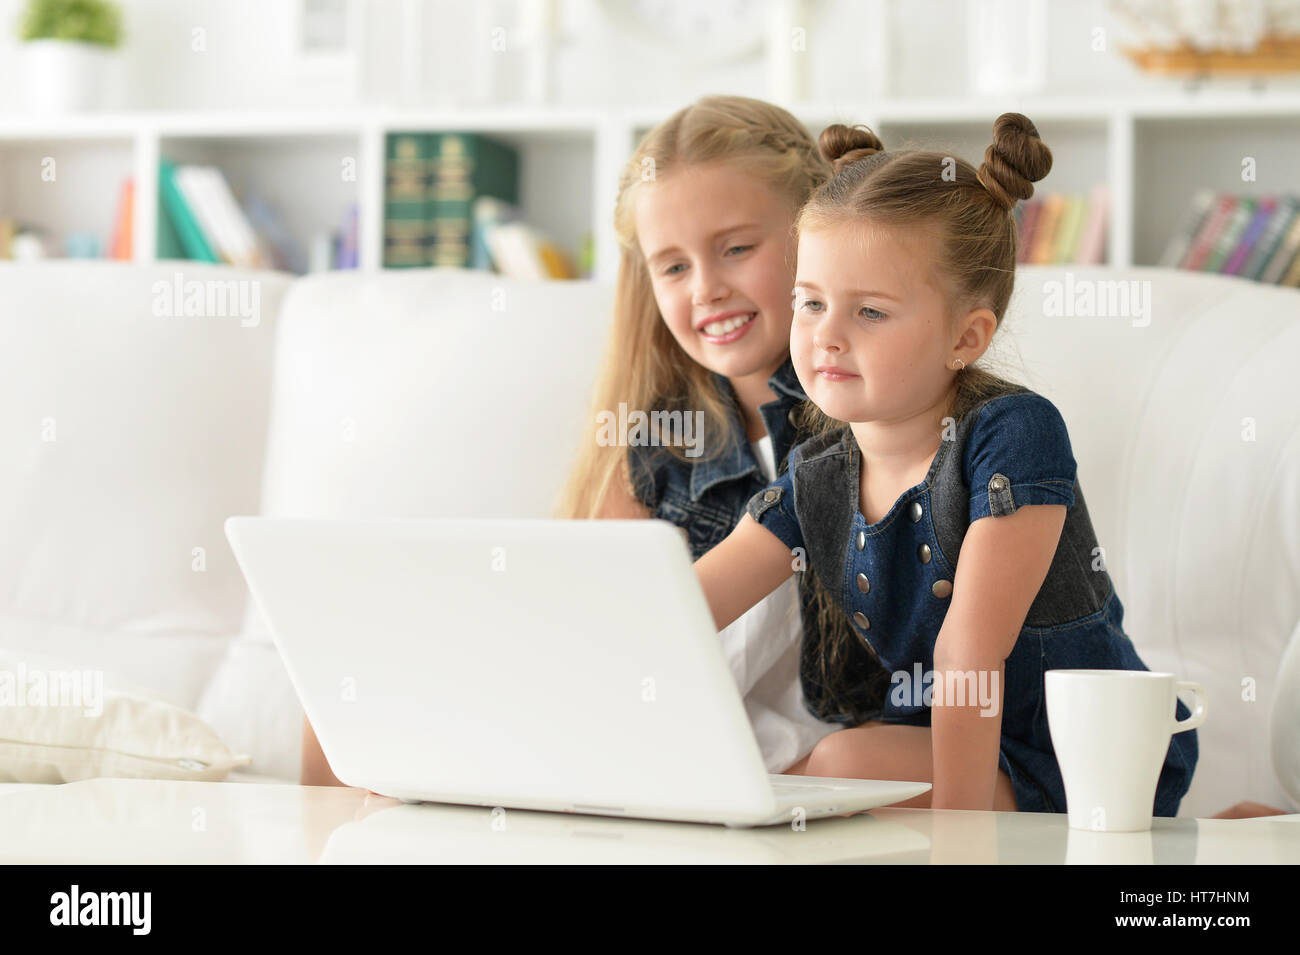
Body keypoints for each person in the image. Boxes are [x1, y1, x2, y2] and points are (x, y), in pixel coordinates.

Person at [694, 113, 1200, 814]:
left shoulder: (1015, 435)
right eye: (810, 303)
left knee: (840, 771)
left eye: (869, 311)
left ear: (966, 336)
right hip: (956, 738)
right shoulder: (818, 475)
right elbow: (684, 606)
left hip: (1087, 760)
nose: (826, 336)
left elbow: (969, 658)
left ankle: (1192, 836)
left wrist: (960, 844)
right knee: (825, 771)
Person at [557, 94, 877, 775]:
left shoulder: (878, 416)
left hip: (842, 753)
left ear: (817, 234)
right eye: (673, 266)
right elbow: (604, 643)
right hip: (699, 749)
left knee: (843, 762)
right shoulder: (650, 449)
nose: (705, 289)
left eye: (735, 249)